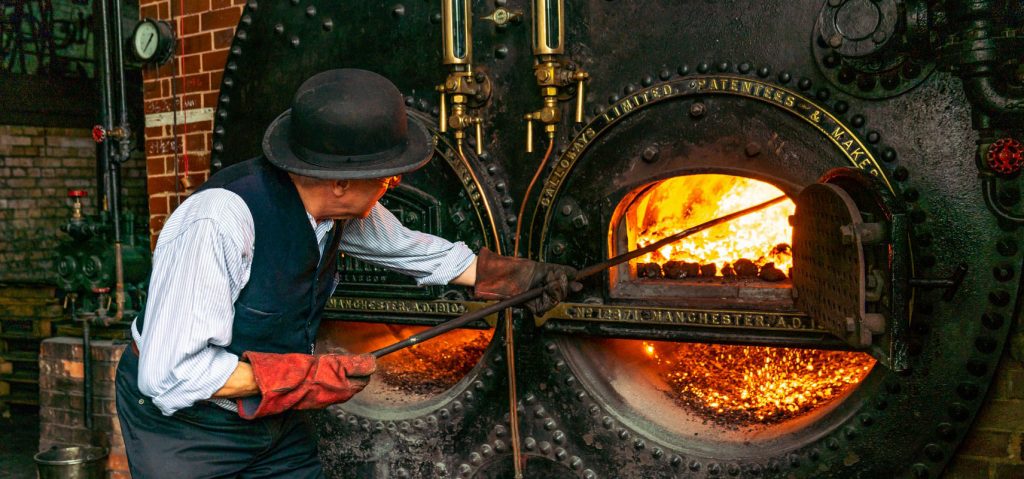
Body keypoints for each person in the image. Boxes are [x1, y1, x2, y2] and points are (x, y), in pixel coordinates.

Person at [114, 69, 575, 478]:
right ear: (338, 182)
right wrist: (301, 376)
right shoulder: (220, 221)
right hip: (191, 430)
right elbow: (171, 373)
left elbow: (412, 251)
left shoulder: (336, 211)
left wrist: (520, 277)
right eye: (387, 177)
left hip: (276, 419)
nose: (392, 185)